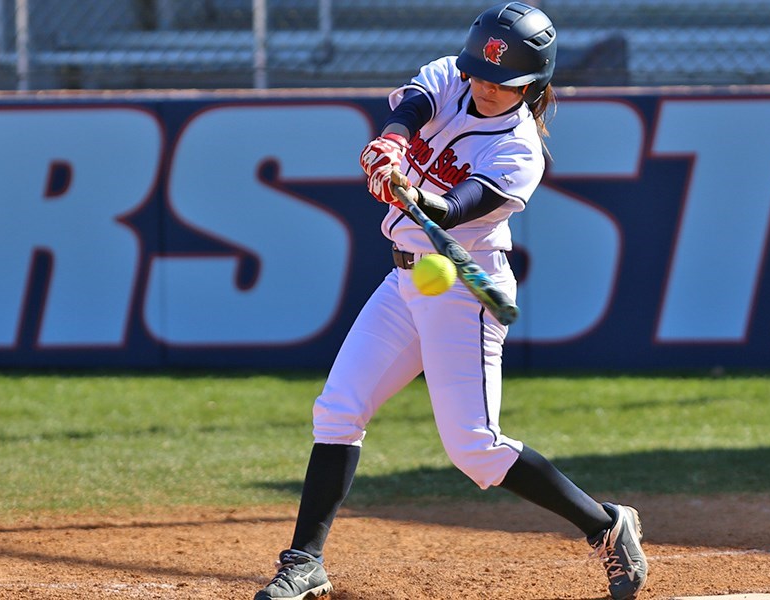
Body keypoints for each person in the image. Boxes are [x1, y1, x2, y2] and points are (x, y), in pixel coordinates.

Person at [253, 3, 648, 600]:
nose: (486, 87)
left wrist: (410, 189)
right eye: (480, 75)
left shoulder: (520, 152)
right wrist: (390, 145)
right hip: (406, 281)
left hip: (463, 290)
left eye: (503, 81)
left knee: (475, 450)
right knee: (337, 410)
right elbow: (413, 109)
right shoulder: (451, 76)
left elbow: (455, 207)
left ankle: (605, 525)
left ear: (534, 83)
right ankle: (305, 561)